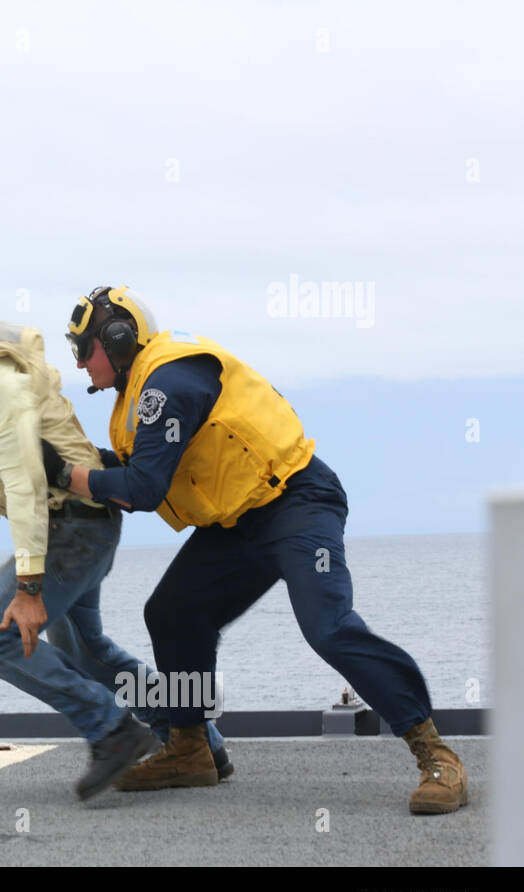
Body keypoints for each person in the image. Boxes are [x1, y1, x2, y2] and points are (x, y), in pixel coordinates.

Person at [42, 285, 467, 813]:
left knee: (328, 628)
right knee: (174, 613)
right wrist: (67, 461)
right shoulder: (142, 391)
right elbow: (139, 468)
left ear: (119, 339)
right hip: (238, 522)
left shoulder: (165, 385)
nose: (79, 362)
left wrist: (64, 473)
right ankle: (191, 749)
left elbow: (145, 490)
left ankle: (436, 753)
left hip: (297, 502)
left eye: (83, 349)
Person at [0, 265, 229, 799]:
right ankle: (197, 740)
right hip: (79, 523)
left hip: (68, 529)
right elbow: (10, 462)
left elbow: (27, 480)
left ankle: (112, 730)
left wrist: (28, 589)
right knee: (87, 655)